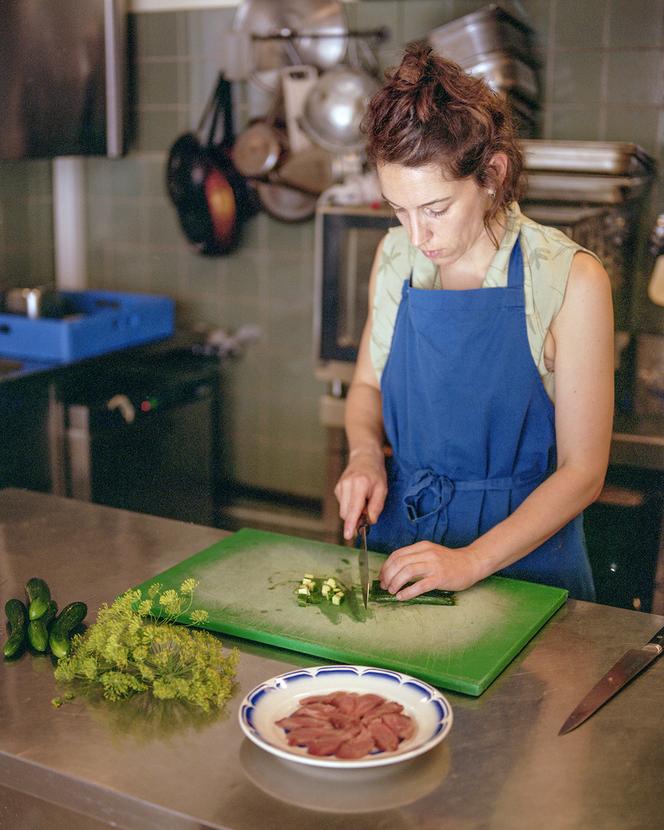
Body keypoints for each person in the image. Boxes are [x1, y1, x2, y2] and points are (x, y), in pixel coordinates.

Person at [334, 44, 614, 602]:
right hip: (404, 547)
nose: (417, 235)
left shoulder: (570, 279)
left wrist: (470, 561)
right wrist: (364, 454)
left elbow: (583, 471)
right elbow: (366, 385)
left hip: (527, 567)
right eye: (398, 209)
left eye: (435, 209)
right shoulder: (396, 258)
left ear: (491, 174)